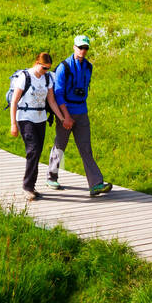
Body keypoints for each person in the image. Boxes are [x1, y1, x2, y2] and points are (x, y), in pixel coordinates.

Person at [47, 34, 113, 196]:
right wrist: (65, 117)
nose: (83, 51)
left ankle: (96, 184)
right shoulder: (64, 67)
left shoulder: (89, 67)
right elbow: (59, 93)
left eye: (86, 48)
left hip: (82, 111)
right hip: (66, 111)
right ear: (74, 47)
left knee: (85, 148)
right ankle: (51, 176)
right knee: (60, 145)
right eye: (80, 47)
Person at [9, 52, 70, 201]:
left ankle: (31, 186)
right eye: (44, 68)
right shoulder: (25, 77)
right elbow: (14, 102)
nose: (46, 71)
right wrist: (13, 124)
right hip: (25, 118)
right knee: (33, 150)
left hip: (40, 118)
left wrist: (62, 118)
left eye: (48, 68)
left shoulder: (47, 78)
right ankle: (27, 187)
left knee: (37, 152)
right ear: (37, 63)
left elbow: (51, 101)